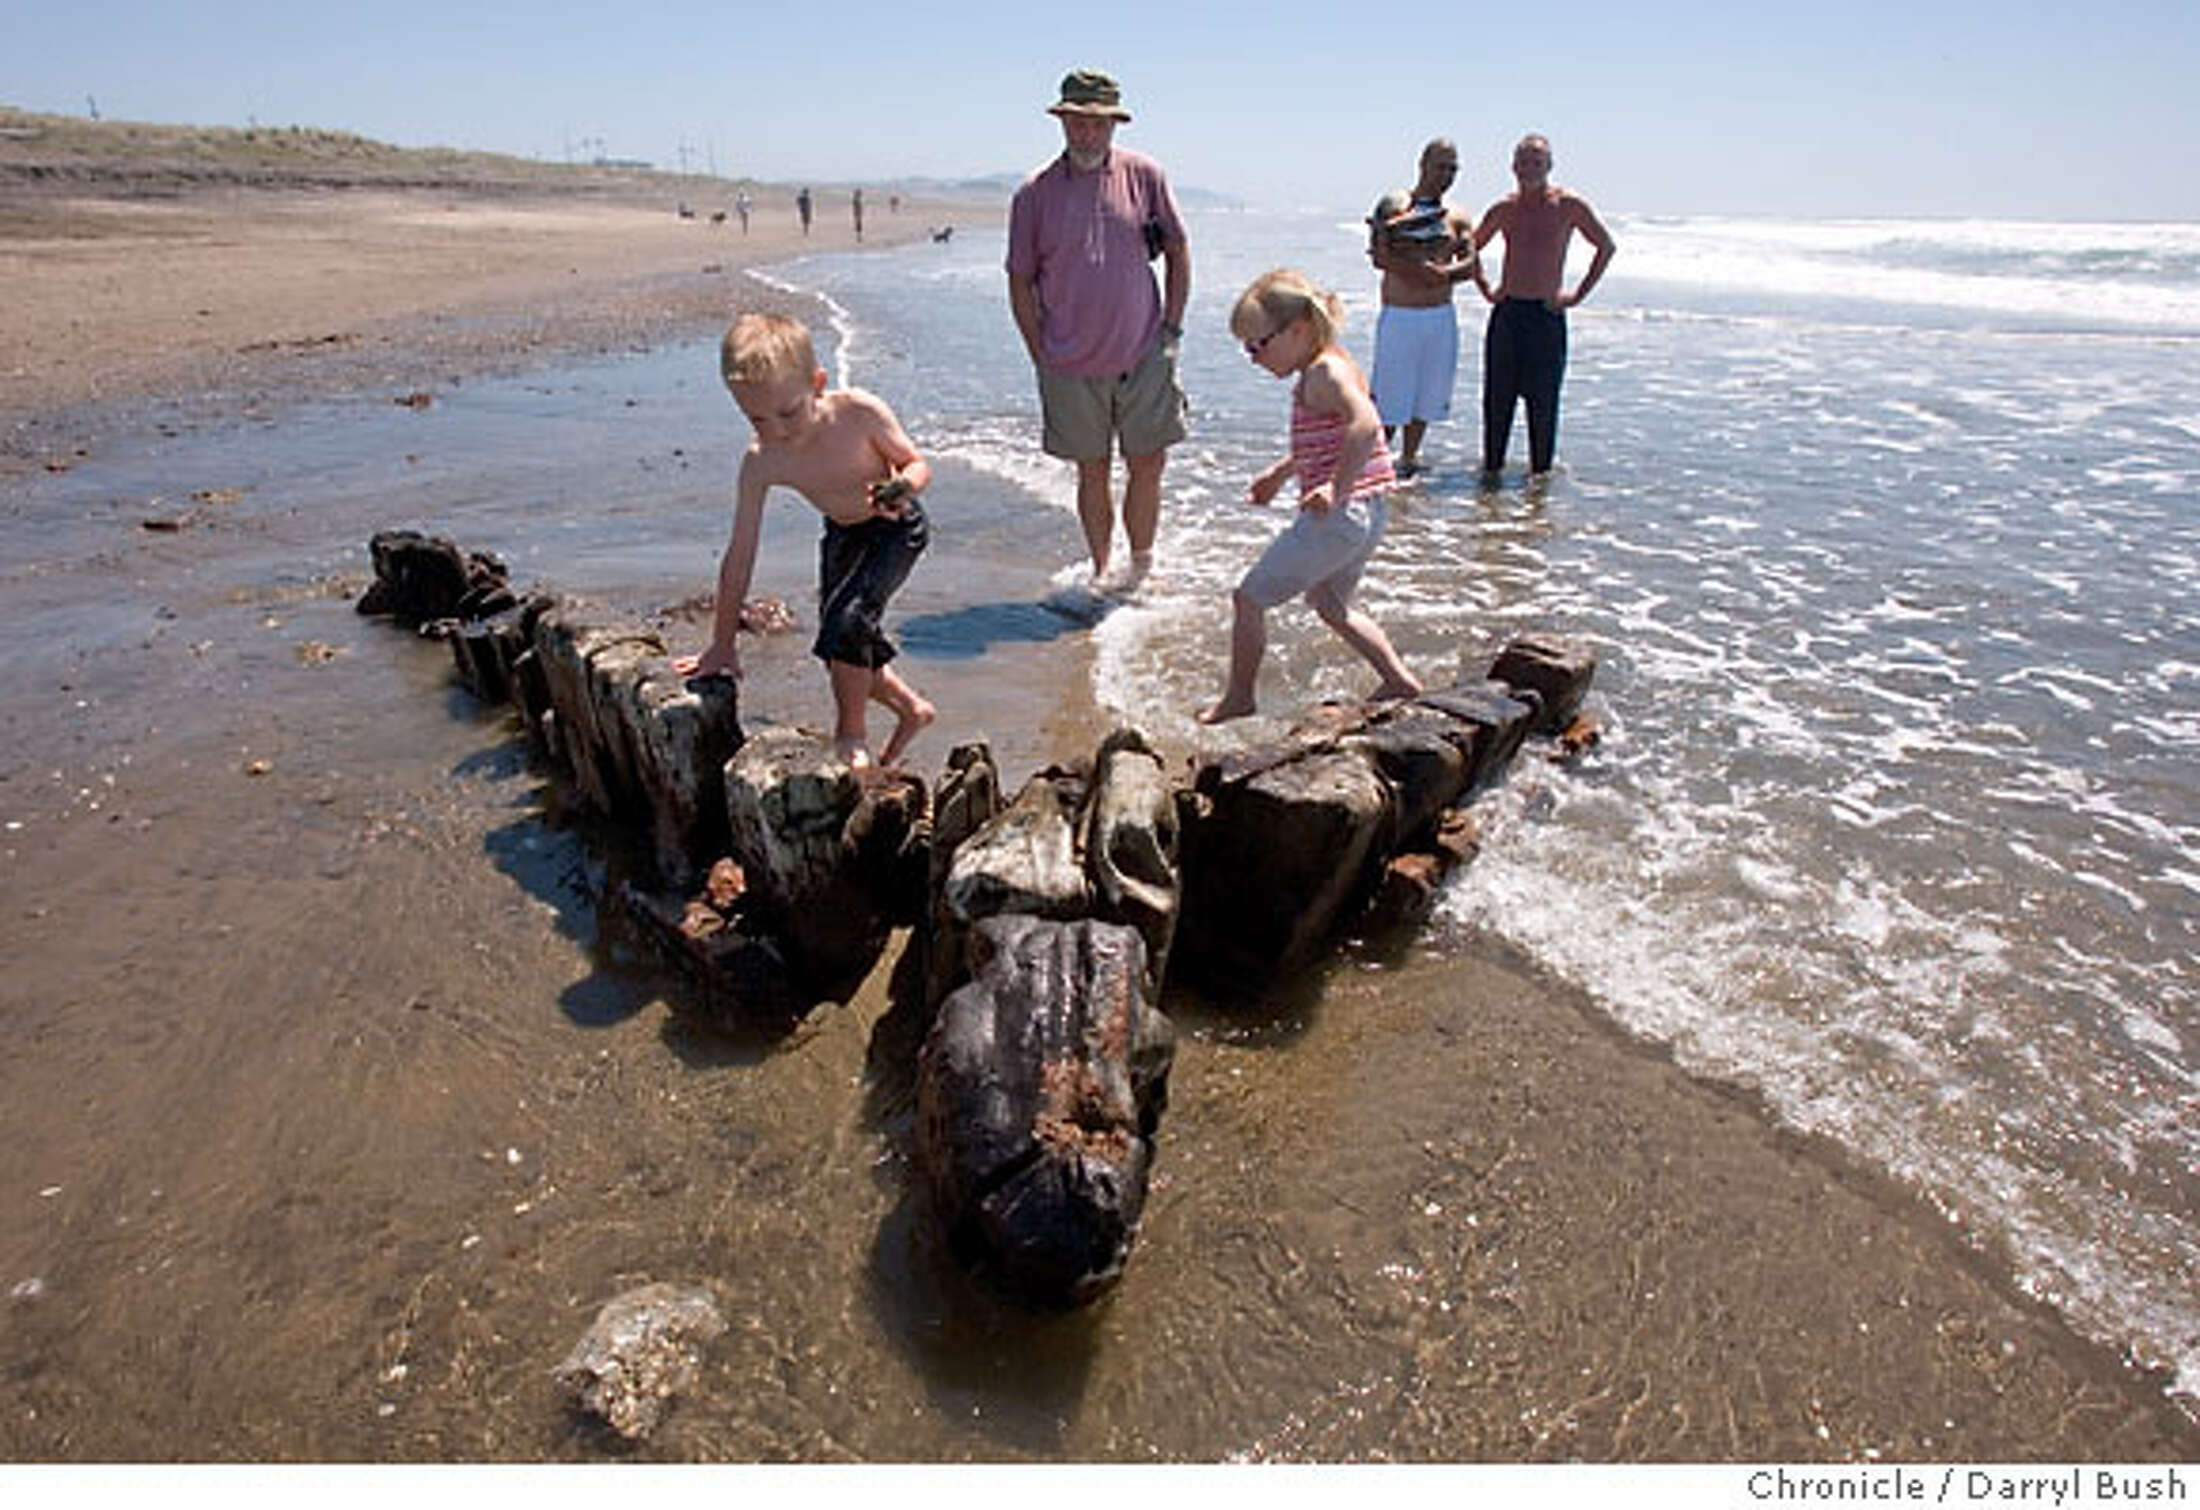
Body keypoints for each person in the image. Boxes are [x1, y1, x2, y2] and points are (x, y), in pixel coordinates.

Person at [676, 312, 936, 771]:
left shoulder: (858, 413)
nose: (776, 429)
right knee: (839, 647)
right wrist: (722, 644)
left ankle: (851, 736)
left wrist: (903, 488)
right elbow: (740, 555)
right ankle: (912, 709)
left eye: (788, 412)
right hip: (842, 534)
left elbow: (916, 463)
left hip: (896, 528)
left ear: (818, 383)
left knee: (848, 624)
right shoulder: (762, 462)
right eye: (755, 418)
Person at [1201, 270, 1422, 724]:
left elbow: (1366, 425)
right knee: (1331, 607)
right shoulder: (1333, 363)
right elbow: (1331, 439)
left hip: (1341, 516)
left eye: (1257, 345)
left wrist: (1334, 488)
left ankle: (1239, 698)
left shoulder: (1324, 372)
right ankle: (1399, 681)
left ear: (1297, 330)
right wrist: (1283, 473)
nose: (1253, 358)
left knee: (1249, 599)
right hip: (1370, 510)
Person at [1006, 68, 1191, 592]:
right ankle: (1101, 568)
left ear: (1114, 124)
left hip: (1145, 352)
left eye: (1098, 124)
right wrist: (1037, 348)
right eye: (1078, 122)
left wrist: (1172, 329)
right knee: (1091, 471)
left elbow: (1177, 250)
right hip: (1068, 361)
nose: (1087, 134)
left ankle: (1141, 568)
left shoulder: (1146, 174)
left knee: (1148, 465)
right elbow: (1019, 280)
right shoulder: (1033, 194)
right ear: (1062, 120)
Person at [1469, 133, 1616, 479]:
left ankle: (1539, 490)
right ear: (1513, 166)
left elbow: (1605, 246)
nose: (1529, 168)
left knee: (1543, 405)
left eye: (1537, 161)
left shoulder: (1568, 205)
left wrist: (1577, 295)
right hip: (1508, 314)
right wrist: (1486, 287)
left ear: (1549, 166)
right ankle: (1491, 478)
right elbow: (1470, 246)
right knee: (1497, 403)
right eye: (1523, 161)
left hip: (1546, 315)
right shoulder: (1504, 208)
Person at [1366, 138, 1477, 478]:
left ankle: (1409, 459)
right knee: (1388, 397)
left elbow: (1471, 263)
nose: (1446, 174)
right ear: (1423, 164)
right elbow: (1380, 256)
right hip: (1401, 315)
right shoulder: (1395, 204)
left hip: (1439, 317)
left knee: (1426, 396)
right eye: (1440, 166)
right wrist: (1418, 272)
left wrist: (1444, 275)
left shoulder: (1456, 216)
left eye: (1452, 168)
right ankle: (1373, 461)